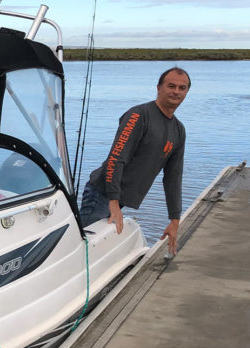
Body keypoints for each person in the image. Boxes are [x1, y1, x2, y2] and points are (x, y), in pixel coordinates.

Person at [78, 67, 189, 256]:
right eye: (171, 86)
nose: (176, 92)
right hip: (102, 194)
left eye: (182, 88)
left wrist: (174, 219)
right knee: (83, 246)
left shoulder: (178, 130)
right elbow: (116, 158)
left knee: (96, 248)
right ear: (158, 87)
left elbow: (173, 177)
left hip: (117, 199)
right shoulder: (139, 116)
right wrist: (113, 200)